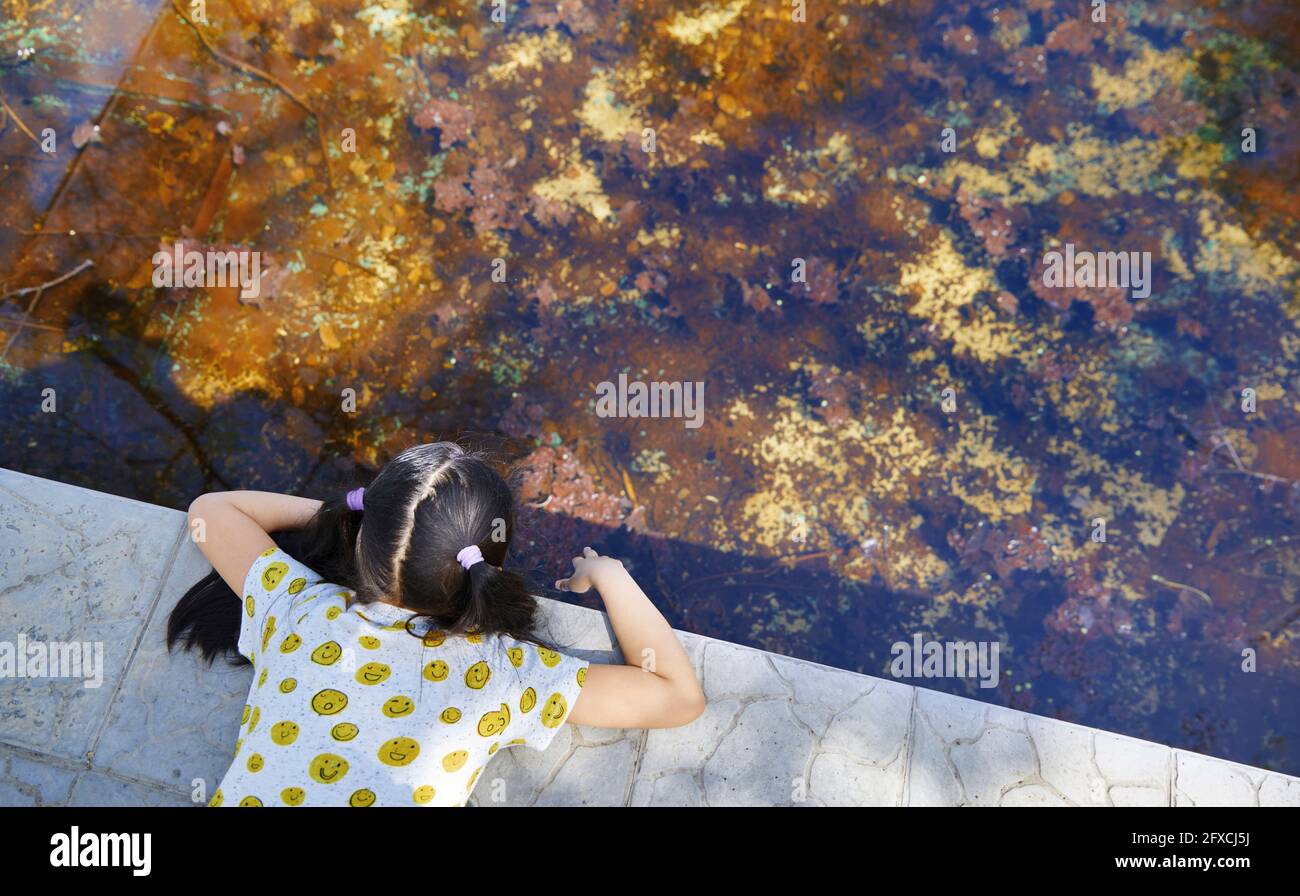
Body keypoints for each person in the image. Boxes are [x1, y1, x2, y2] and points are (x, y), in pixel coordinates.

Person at [168, 442, 704, 806]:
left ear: (365, 540)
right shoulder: (500, 673)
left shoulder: (300, 612)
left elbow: (211, 513)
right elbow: (677, 697)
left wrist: (359, 513)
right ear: (487, 560)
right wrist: (612, 577)